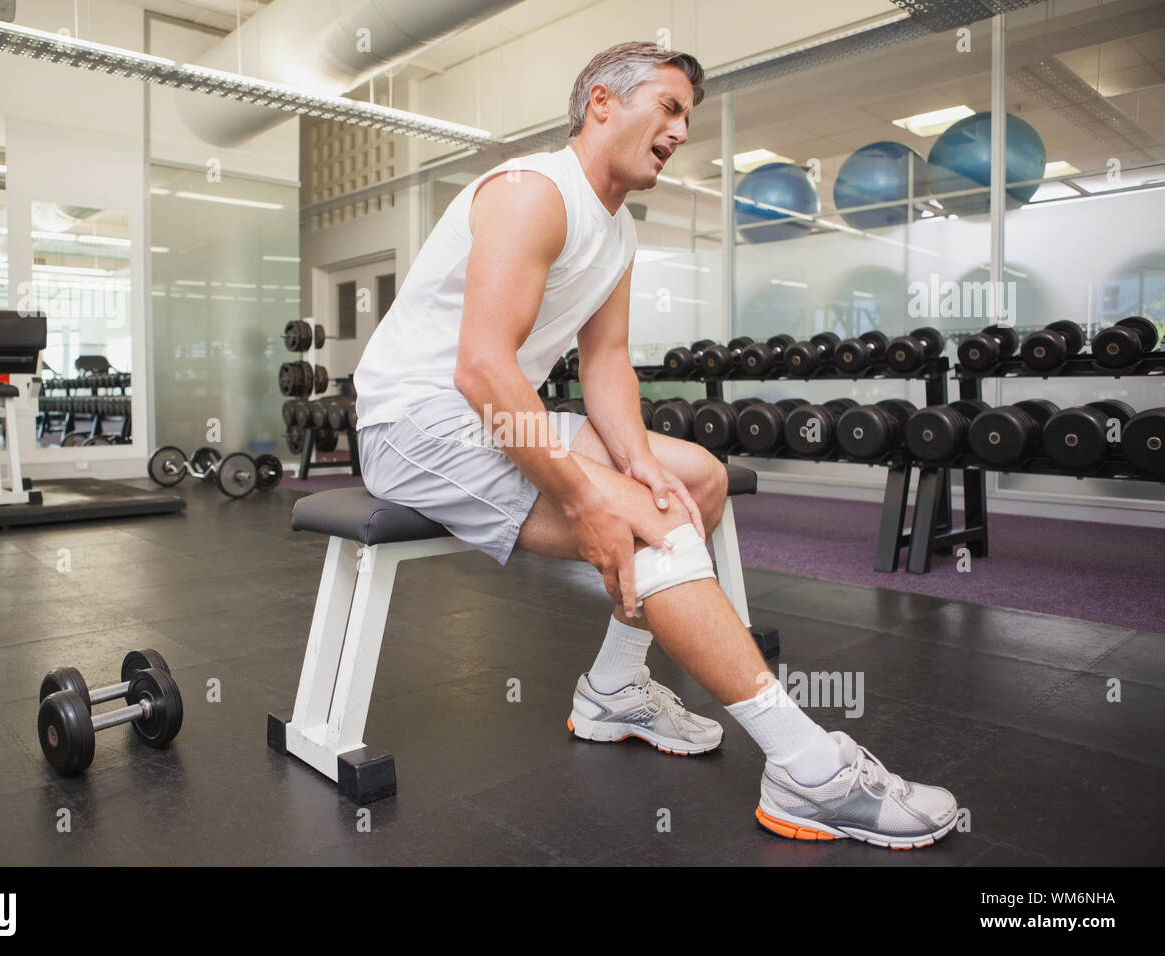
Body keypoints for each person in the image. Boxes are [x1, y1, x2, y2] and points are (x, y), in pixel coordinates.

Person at [353, 41, 957, 848]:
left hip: (498, 411)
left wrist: (634, 457)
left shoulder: (618, 228)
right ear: (602, 101)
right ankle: (808, 768)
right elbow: (483, 367)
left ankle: (611, 690)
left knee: (694, 478)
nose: (680, 130)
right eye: (669, 108)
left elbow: (605, 363)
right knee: (650, 523)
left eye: (687, 118)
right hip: (415, 423)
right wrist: (585, 493)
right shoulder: (533, 192)